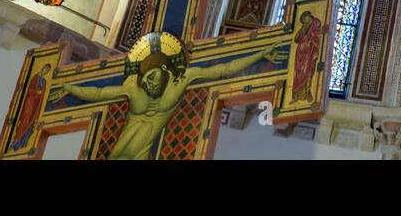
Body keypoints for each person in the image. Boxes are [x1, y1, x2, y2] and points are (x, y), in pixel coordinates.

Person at [53, 36, 280, 160]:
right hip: (119, 149)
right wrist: (68, 87)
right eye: (146, 79)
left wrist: (260, 54)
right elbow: (98, 93)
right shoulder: (133, 87)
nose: (150, 84)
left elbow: (224, 68)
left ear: (165, 70)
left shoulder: (184, 78)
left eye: (153, 78)